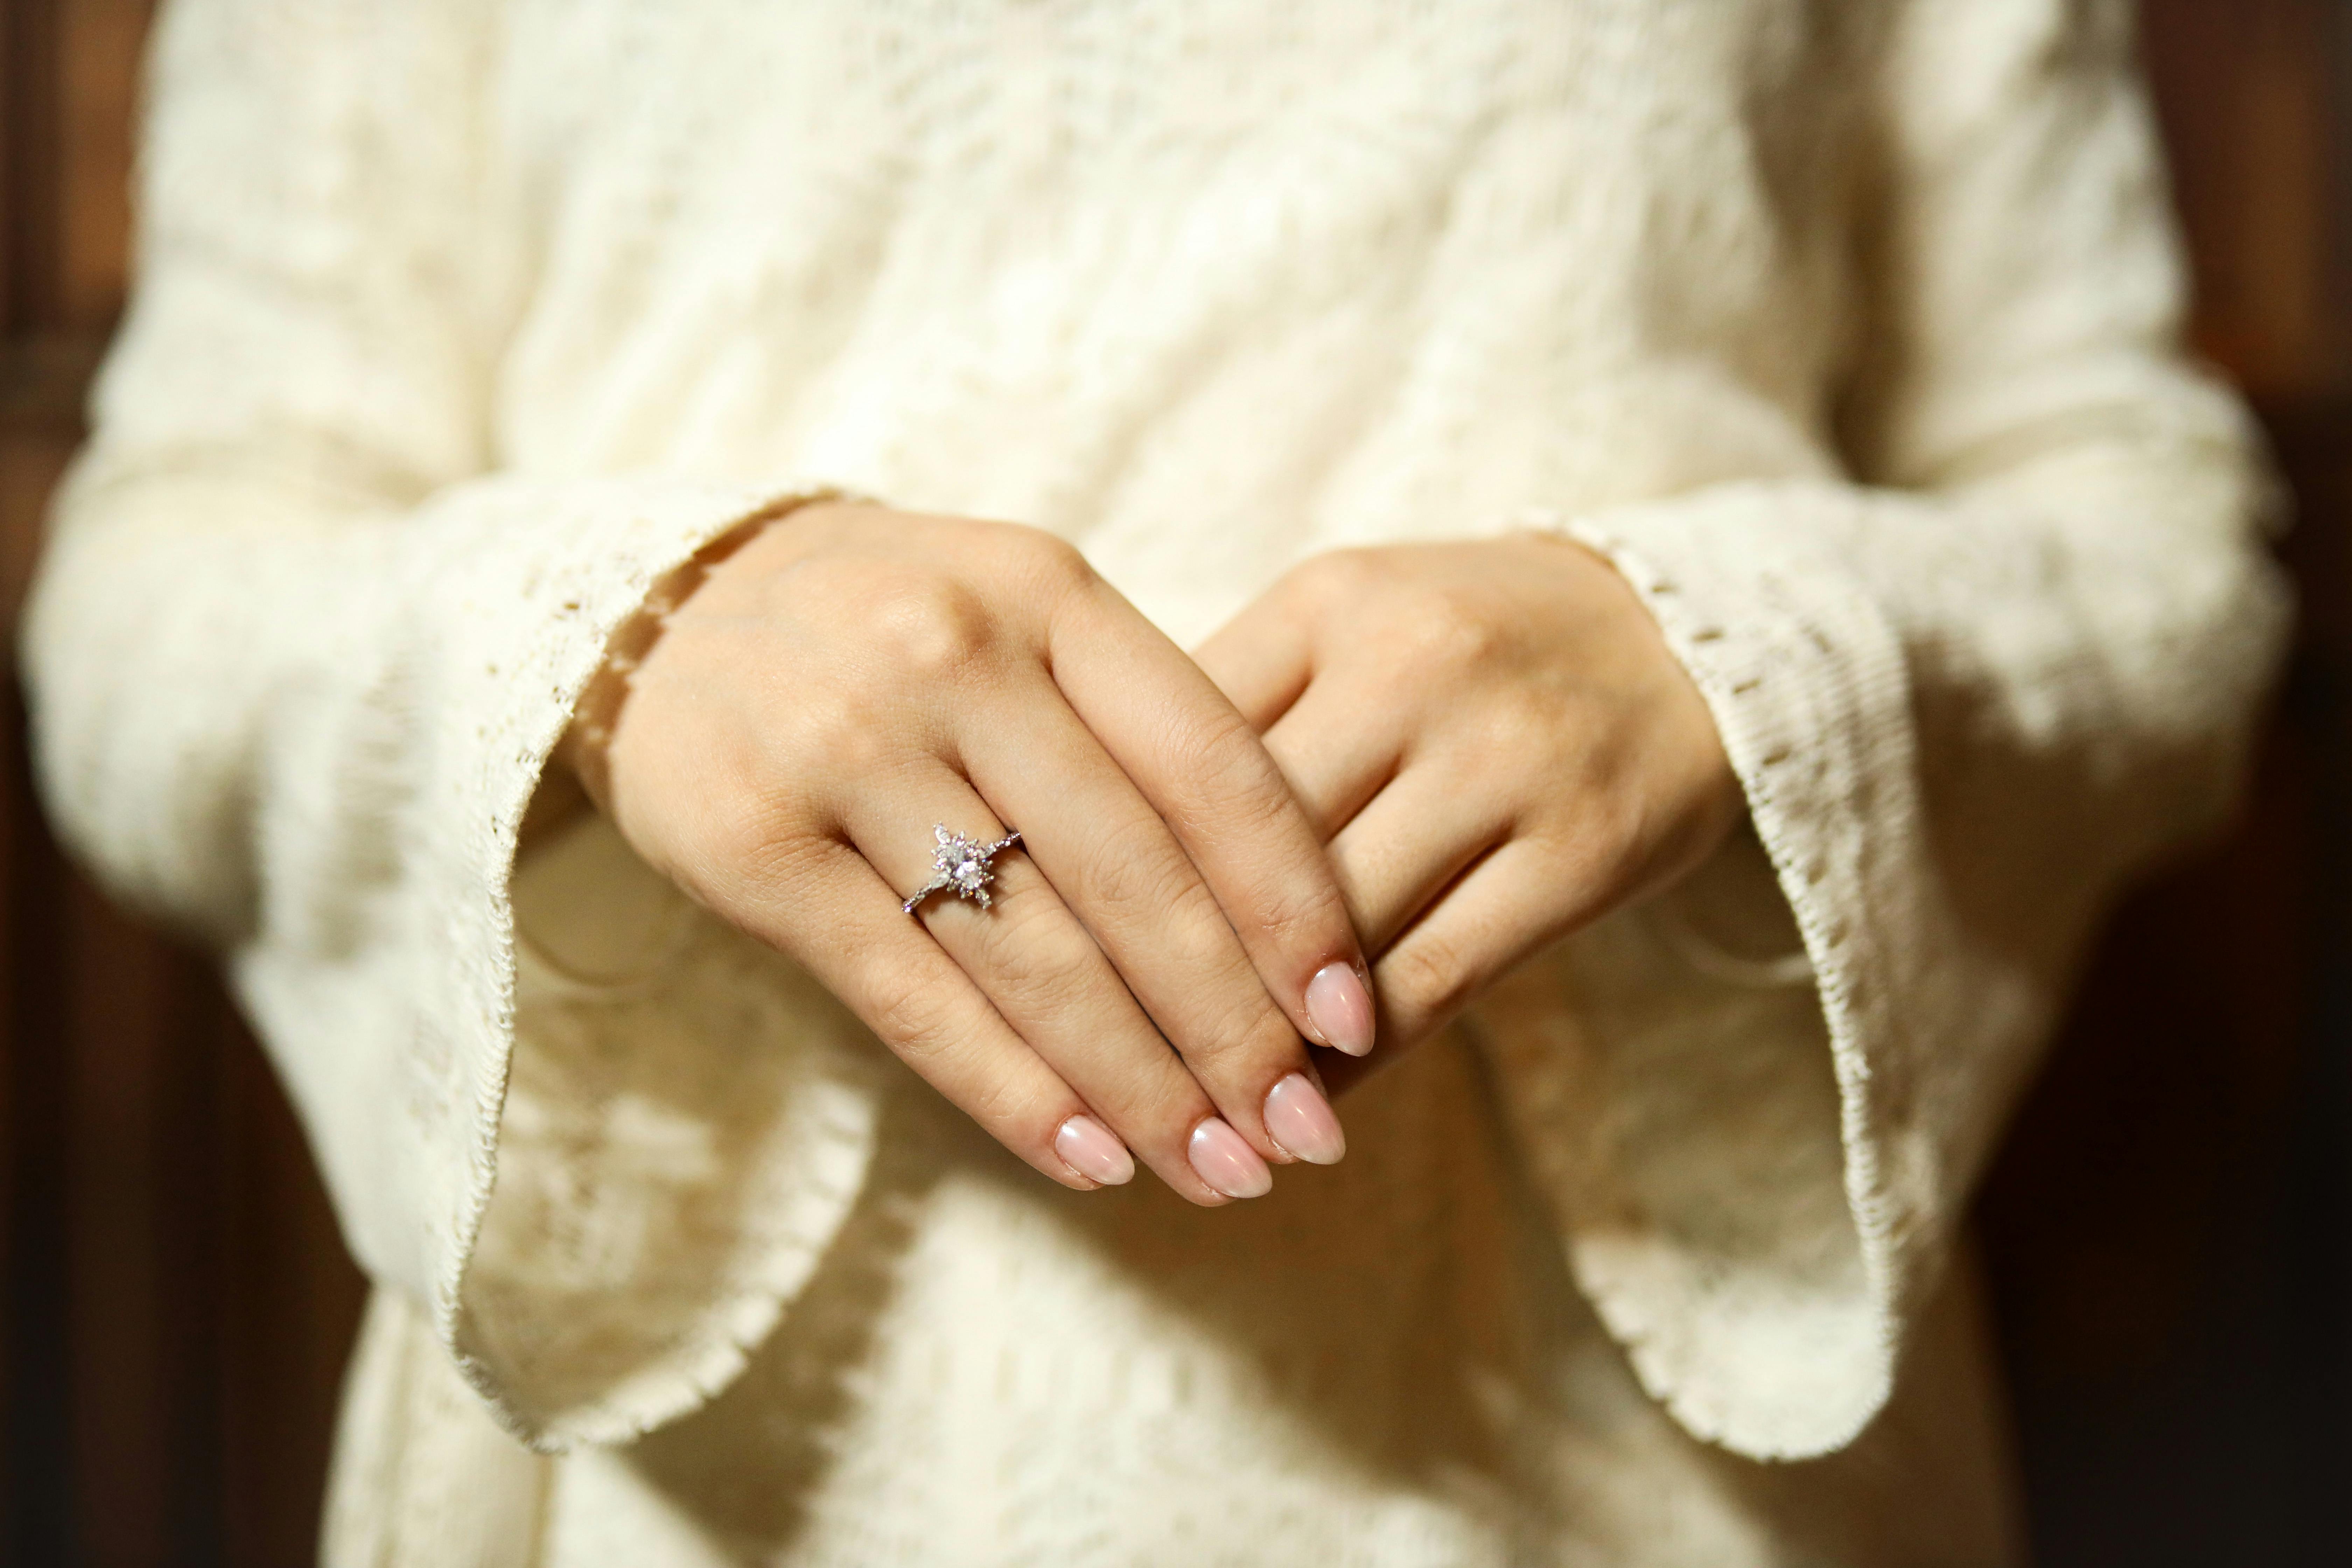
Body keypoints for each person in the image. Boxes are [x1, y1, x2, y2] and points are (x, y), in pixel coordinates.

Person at [20, 0, 2286, 1562]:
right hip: (724, 1475)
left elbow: (2149, 532)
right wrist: (628, 640)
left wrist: (1716, 661)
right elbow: (152, 605)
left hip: (1625, 1455)